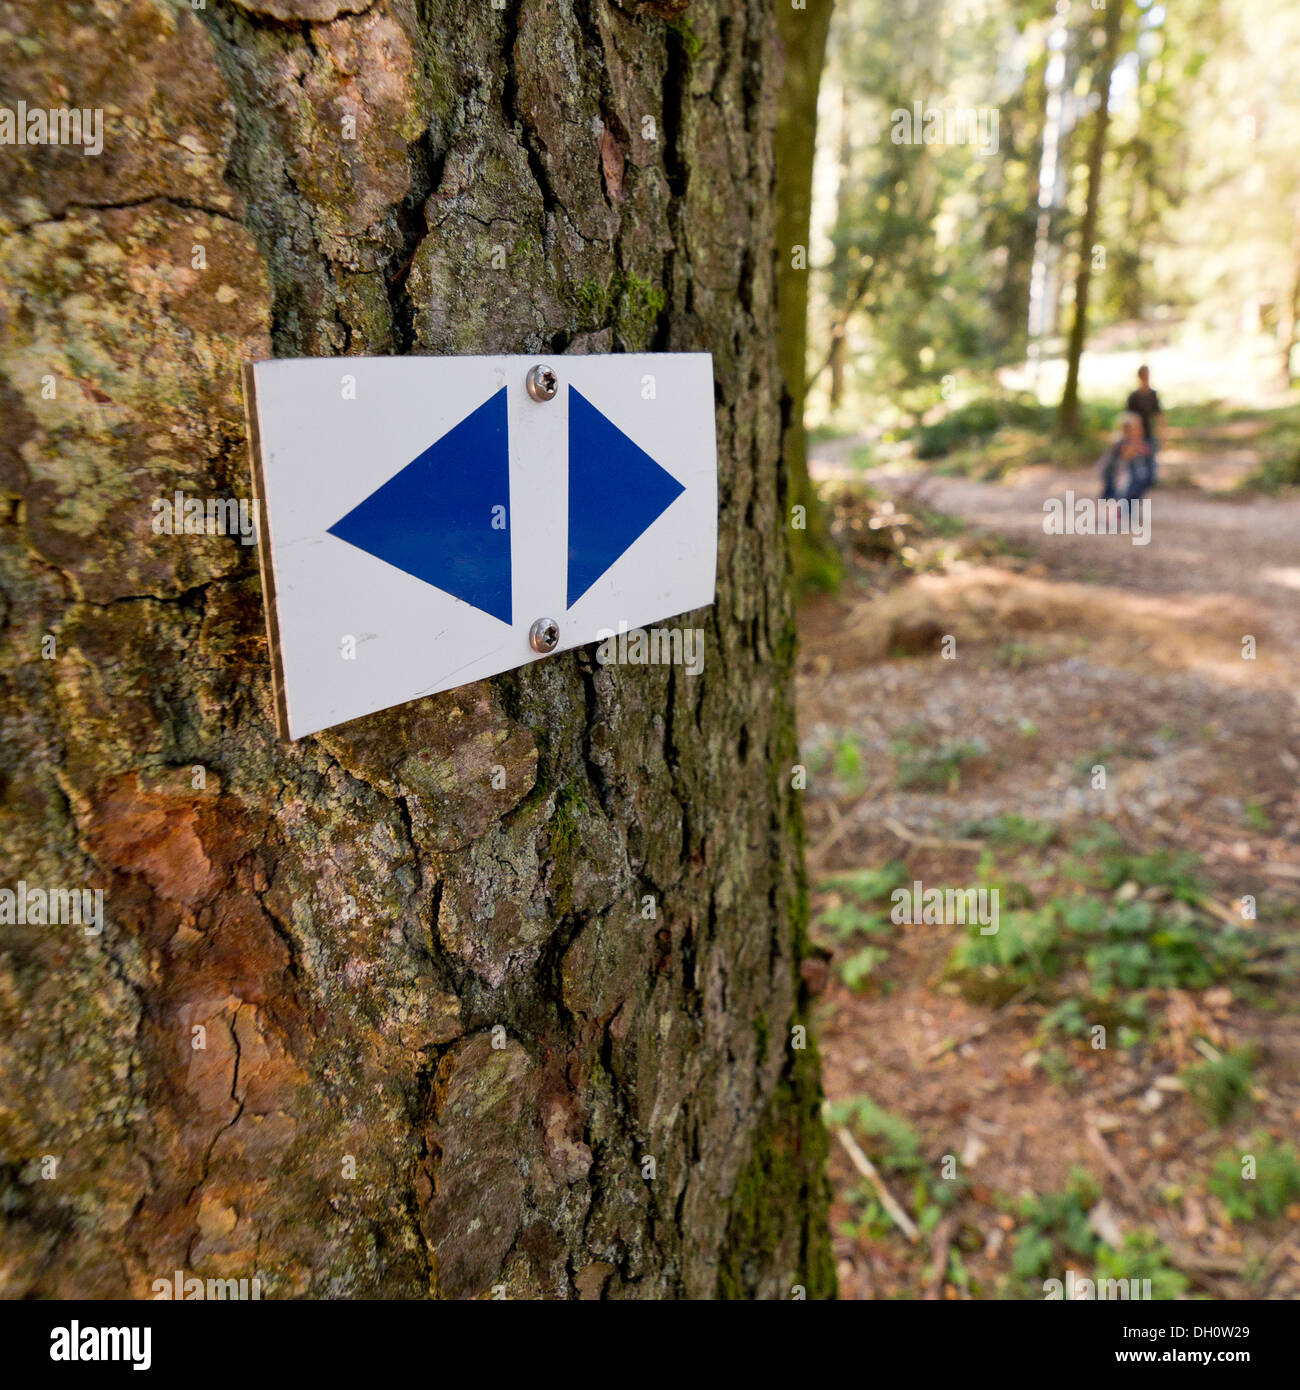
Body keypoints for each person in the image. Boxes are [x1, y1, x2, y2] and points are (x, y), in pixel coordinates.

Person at [1125, 364, 1163, 494]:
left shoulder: (1153, 395)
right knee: (1137, 473)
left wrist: (1163, 433)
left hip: (1149, 436)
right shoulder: (1133, 397)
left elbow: (1159, 415)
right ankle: (1128, 502)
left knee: (1150, 473)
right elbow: (1127, 419)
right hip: (1136, 439)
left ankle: (1134, 499)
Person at [1099, 412, 1153, 502]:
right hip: (1119, 478)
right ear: (1125, 431)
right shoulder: (1120, 445)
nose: (1139, 432)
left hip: (1135, 479)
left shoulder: (1143, 445)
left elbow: (1147, 463)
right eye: (1134, 429)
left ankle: (1126, 509)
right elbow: (1114, 466)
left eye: (1139, 428)